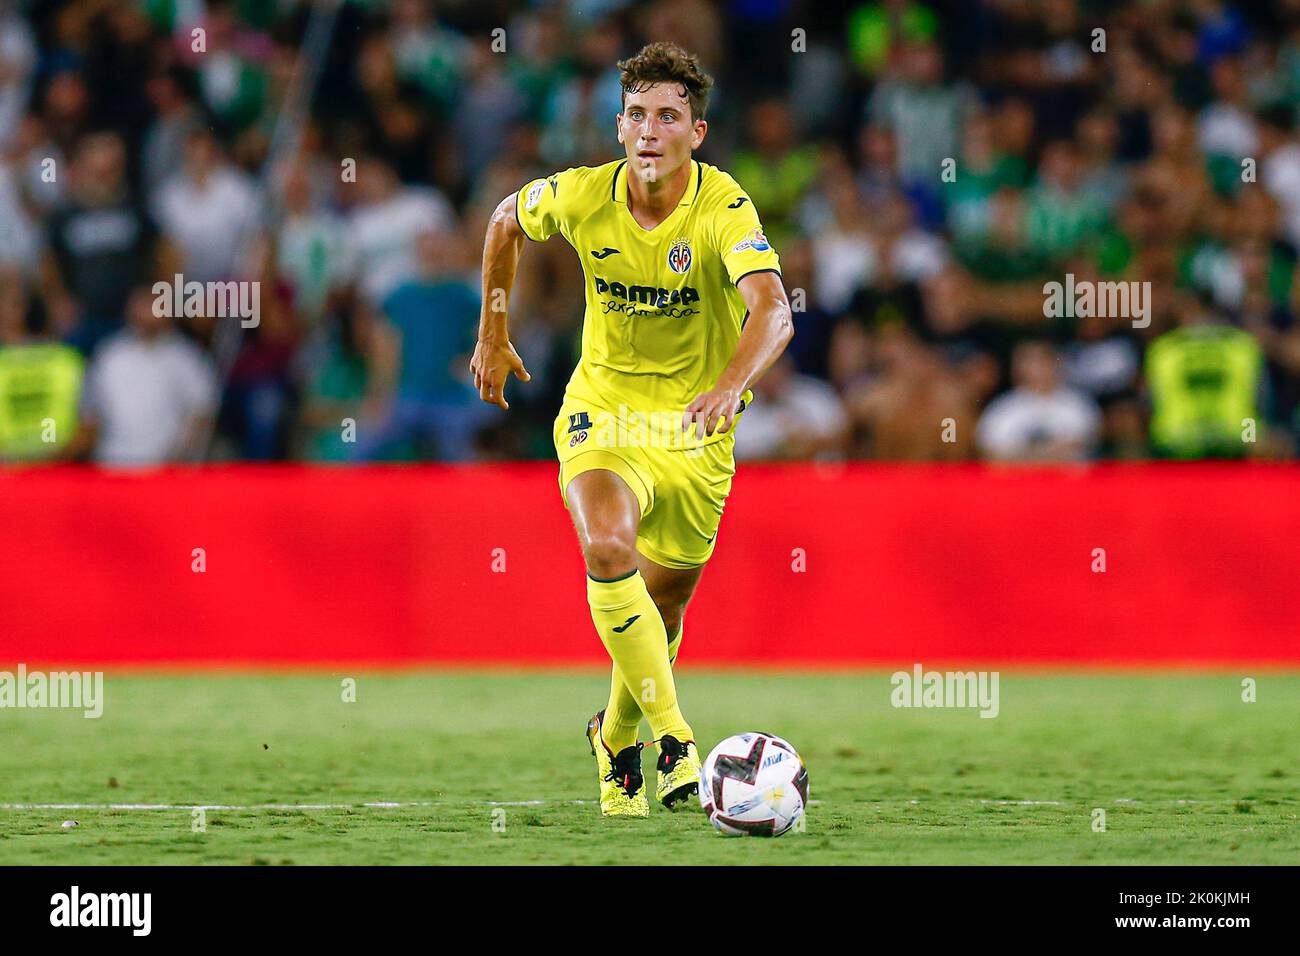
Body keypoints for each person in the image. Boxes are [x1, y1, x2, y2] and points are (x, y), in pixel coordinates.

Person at [471, 42, 792, 817]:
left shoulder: (722, 208)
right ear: (619, 128)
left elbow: (773, 311)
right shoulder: (583, 195)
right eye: (638, 116)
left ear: (697, 133)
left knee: (665, 605)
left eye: (669, 117)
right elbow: (505, 219)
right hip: (602, 413)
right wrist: (492, 328)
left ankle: (616, 739)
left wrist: (726, 386)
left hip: (696, 427)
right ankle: (676, 738)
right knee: (608, 545)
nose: (651, 131)